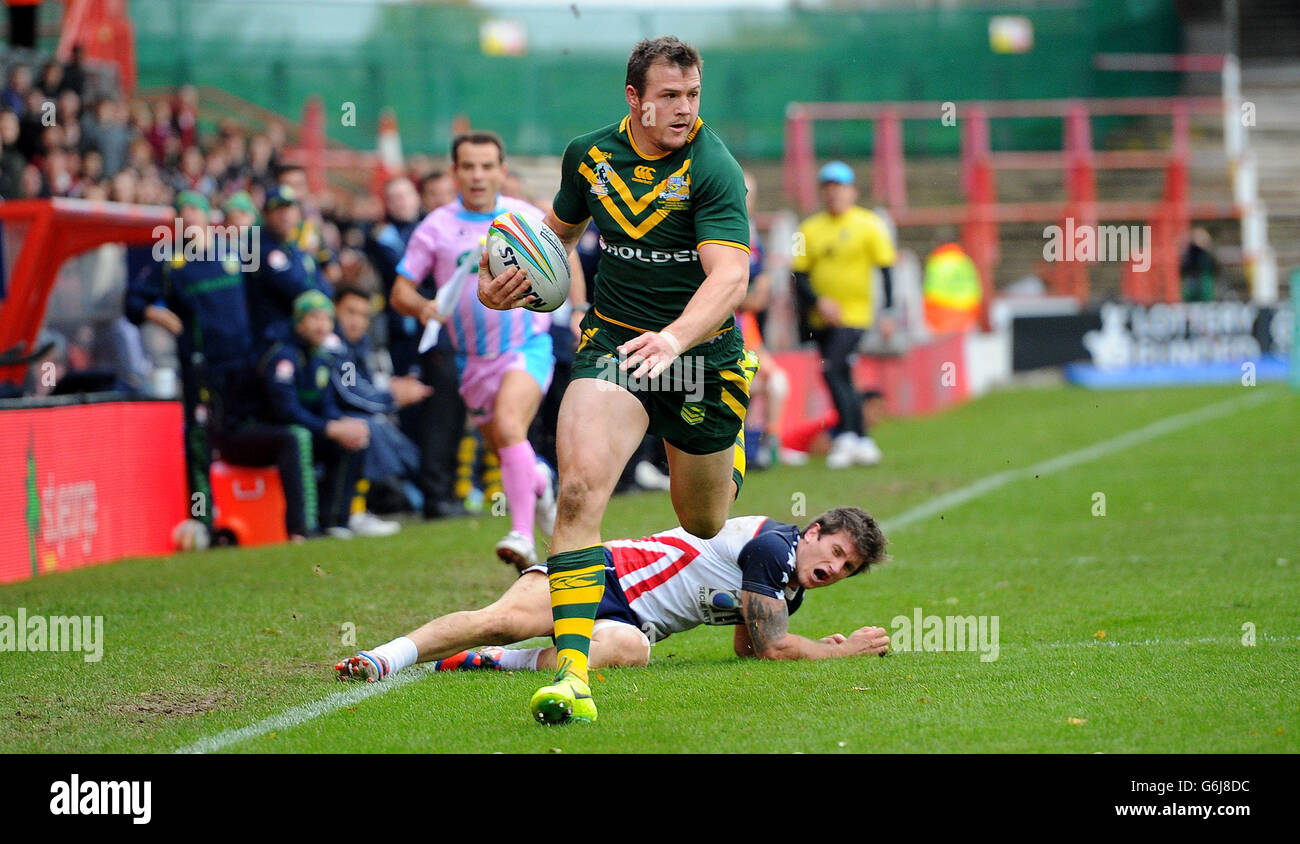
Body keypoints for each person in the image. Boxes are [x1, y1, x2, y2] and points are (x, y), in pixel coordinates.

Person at [476, 36, 756, 723]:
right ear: (634, 98)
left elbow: (731, 275)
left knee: (704, 519)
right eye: (668, 96)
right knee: (577, 492)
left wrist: (677, 337)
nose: (684, 109)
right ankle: (574, 672)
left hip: (699, 359)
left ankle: (731, 453)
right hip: (616, 348)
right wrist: (501, 283)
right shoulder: (589, 155)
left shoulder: (712, 166)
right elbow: (553, 238)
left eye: (692, 95)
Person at [336, 506, 891, 689]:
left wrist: (804, 643)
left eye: (848, 568)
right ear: (814, 530)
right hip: (603, 574)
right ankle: (383, 657)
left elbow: (751, 649)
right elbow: (773, 650)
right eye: (837, 551)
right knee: (501, 619)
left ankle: (494, 664)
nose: (835, 568)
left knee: (630, 651)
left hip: (633, 622)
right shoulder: (773, 548)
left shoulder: (786, 590)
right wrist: (839, 651)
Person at [391, 130, 583, 568]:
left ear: (501, 170)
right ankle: (541, 484)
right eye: (469, 166)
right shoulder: (436, 226)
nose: (478, 175)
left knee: (511, 427)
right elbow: (400, 290)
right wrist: (425, 308)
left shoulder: (523, 217)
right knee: (507, 447)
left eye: (487, 166)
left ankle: (521, 535)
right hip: (471, 363)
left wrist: (577, 308)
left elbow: (566, 256)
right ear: (455, 171)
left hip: (525, 348)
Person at [123, 191, 253, 534]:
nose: (190, 215)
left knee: (245, 429)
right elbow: (132, 301)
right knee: (199, 437)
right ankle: (203, 518)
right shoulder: (171, 263)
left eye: (195, 208)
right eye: (183, 211)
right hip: (201, 365)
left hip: (243, 362)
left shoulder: (236, 250)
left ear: (209, 214)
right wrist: (157, 314)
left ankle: (257, 513)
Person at [222, 290, 371, 539]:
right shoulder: (281, 355)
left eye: (327, 319)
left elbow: (325, 407)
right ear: (299, 322)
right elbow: (286, 411)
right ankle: (301, 528)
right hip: (245, 431)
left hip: (285, 430)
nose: (321, 326)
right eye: (314, 318)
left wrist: (341, 425)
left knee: (351, 439)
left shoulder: (321, 357)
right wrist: (329, 428)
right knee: (296, 438)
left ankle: (334, 521)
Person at [792, 160, 896, 469]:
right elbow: (799, 275)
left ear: (853, 191)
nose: (833, 194)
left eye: (839, 188)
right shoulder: (809, 228)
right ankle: (861, 439)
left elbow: (886, 269)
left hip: (855, 315)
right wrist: (819, 302)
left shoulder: (868, 224)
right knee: (841, 374)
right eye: (828, 188)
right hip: (821, 319)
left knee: (832, 369)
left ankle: (848, 434)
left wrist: (888, 311)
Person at [331, 284, 430, 530]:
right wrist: (392, 398)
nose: (357, 321)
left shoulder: (362, 344)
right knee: (372, 428)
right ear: (335, 310)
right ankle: (354, 513)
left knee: (384, 429)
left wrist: (394, 389)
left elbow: (365, 384)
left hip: (350, 415)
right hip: (330, 418)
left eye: (363, 315)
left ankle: (418, 490)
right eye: (350, 312)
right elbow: (351, 393)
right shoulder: (333, 346)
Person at [245, 184, 329, 353]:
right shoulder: (259, 246)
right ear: (265, 214)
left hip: (297, 337)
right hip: (272, 340)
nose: (285, 215)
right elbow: (297, 288)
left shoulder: (293, 247)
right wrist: (320, 292)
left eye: (290, 209)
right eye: (278, 210)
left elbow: (325, 286)